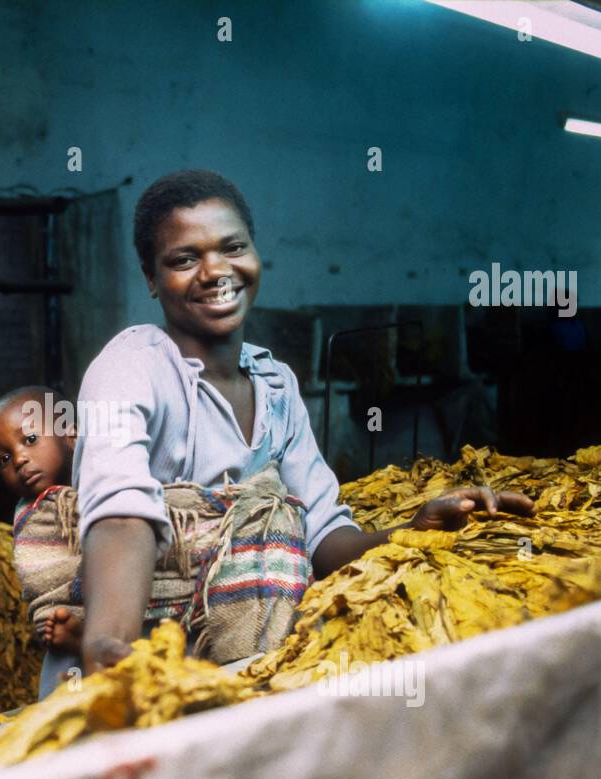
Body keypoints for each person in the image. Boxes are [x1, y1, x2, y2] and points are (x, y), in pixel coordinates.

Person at [73, 169, 535, 675]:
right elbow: (121, 514)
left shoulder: (276, 384)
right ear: (151, 278)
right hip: (140, 671)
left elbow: (323, 536)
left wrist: (410, 531)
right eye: (184, 259)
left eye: (232, 247)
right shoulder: (132, 366)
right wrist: (109, 653)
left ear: (255, 254)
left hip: (243, 670)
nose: (214, 271)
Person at [0, 385, 82, 673]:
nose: (18, 459)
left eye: (30, 439)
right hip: (64, 630)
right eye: (3, 459)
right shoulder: (30, 516)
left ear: (71, 435)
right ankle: (80, 631)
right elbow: (42, 579)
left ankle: (89, 633)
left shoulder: (104, 487)